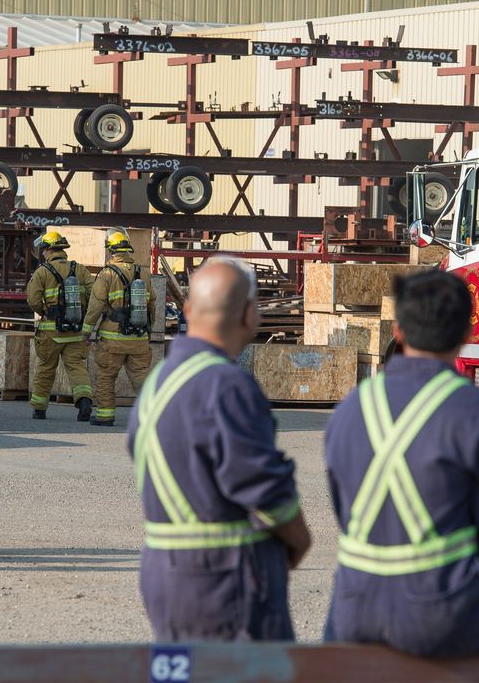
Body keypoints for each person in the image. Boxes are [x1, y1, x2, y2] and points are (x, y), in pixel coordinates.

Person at [324, 270, 479, 657]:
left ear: (397, 331)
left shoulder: (348, 411)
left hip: (350, 613)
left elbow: (342, 507)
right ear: (466, 334)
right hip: (444, 613)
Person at [128, 258, 311, 641]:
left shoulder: (158, 383)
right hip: (226, 580)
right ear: (249, 315)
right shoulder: (228, 385)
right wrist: (298, 540)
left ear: (189, 310)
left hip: (164, 575)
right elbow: (264, 488)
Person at [82, 229, 153, 427]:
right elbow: (152, 305)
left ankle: (105, 415)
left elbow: (95, 306)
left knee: (105, 375)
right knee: (141, 377)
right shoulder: (143, 273)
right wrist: (148, 330)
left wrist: (86, 331)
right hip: (138, 337)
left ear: (111, 250)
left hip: (112, 337)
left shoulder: (107, 274)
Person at [27, 231, 94, 421]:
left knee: (46, 368)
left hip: (51, 332)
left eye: (43, 251)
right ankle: (84, 402)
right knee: (77, 367)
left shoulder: (42, 271)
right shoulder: (80, 269)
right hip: (75, 331)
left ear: (48, 250)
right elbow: (93, 294)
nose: (43, 254)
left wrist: (46, 312)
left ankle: (39, 409)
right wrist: (82, 314)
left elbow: (32, 300)